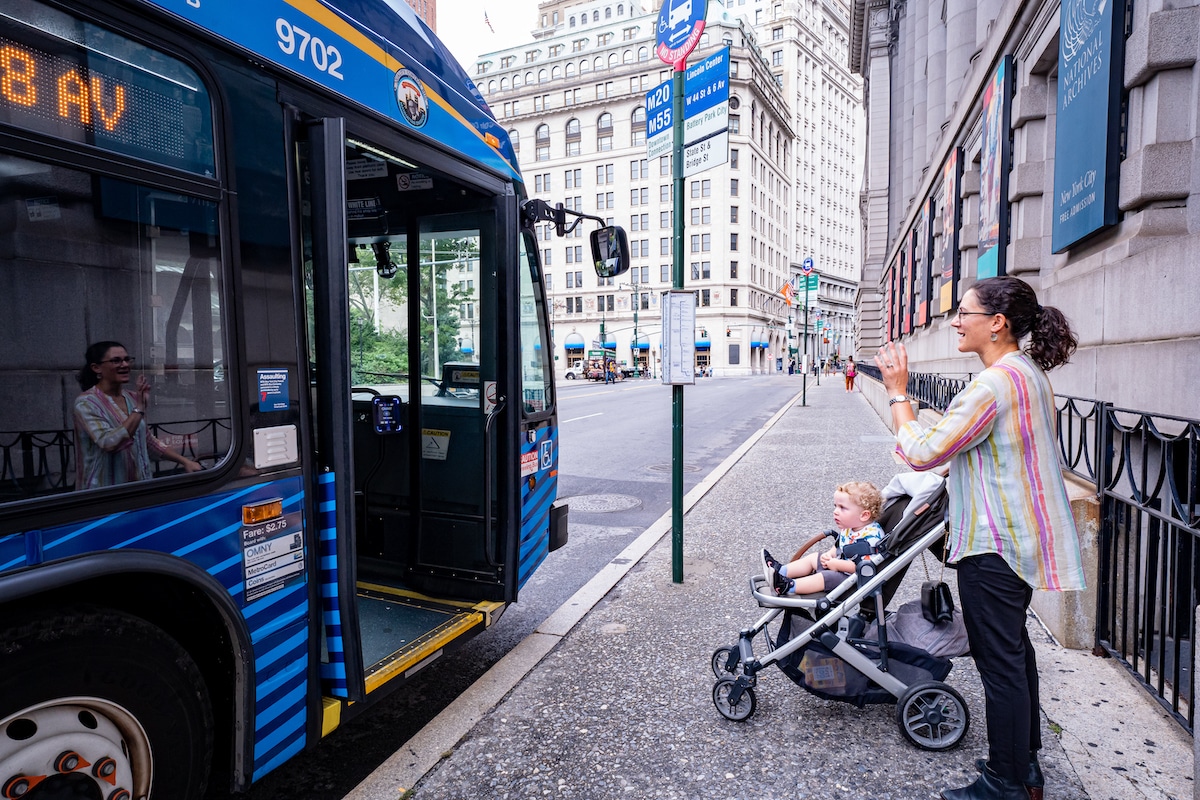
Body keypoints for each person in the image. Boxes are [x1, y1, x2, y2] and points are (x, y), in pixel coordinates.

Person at [875, 276, 1085, 800]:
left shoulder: (993, 384)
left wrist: (898, 392)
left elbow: (923, 451)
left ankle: (1006, 781)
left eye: (963, 313)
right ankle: (1026, 768)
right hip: (1017, 539)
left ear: (996, 323)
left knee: (1000, 664)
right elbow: (986, 448)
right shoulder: (1026, 374)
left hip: (994, 543)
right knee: (1014, 655)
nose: (954, 322)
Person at [74, 341, 202, 489]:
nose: (124, 365)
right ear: (96, 368)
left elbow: (147, 441)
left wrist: (185, 461)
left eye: (127, 360)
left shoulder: (132, 398)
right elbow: (109, 443)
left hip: (139, 488)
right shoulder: (86, 403)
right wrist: (139, 409)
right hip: (104, 494)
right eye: (116, 361)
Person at [761, 481, 885, 596]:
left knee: (825, 578)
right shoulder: (851, 527)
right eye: (835, 506)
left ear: (864, 515)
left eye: (842, 508)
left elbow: (865, 567)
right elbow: (839, 546)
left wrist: (837, 564)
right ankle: (780, 571)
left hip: (854, 581)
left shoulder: (871, 537)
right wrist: (830, 555)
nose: (835, 512)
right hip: (840, 566)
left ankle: (786, 586)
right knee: (815, 557)